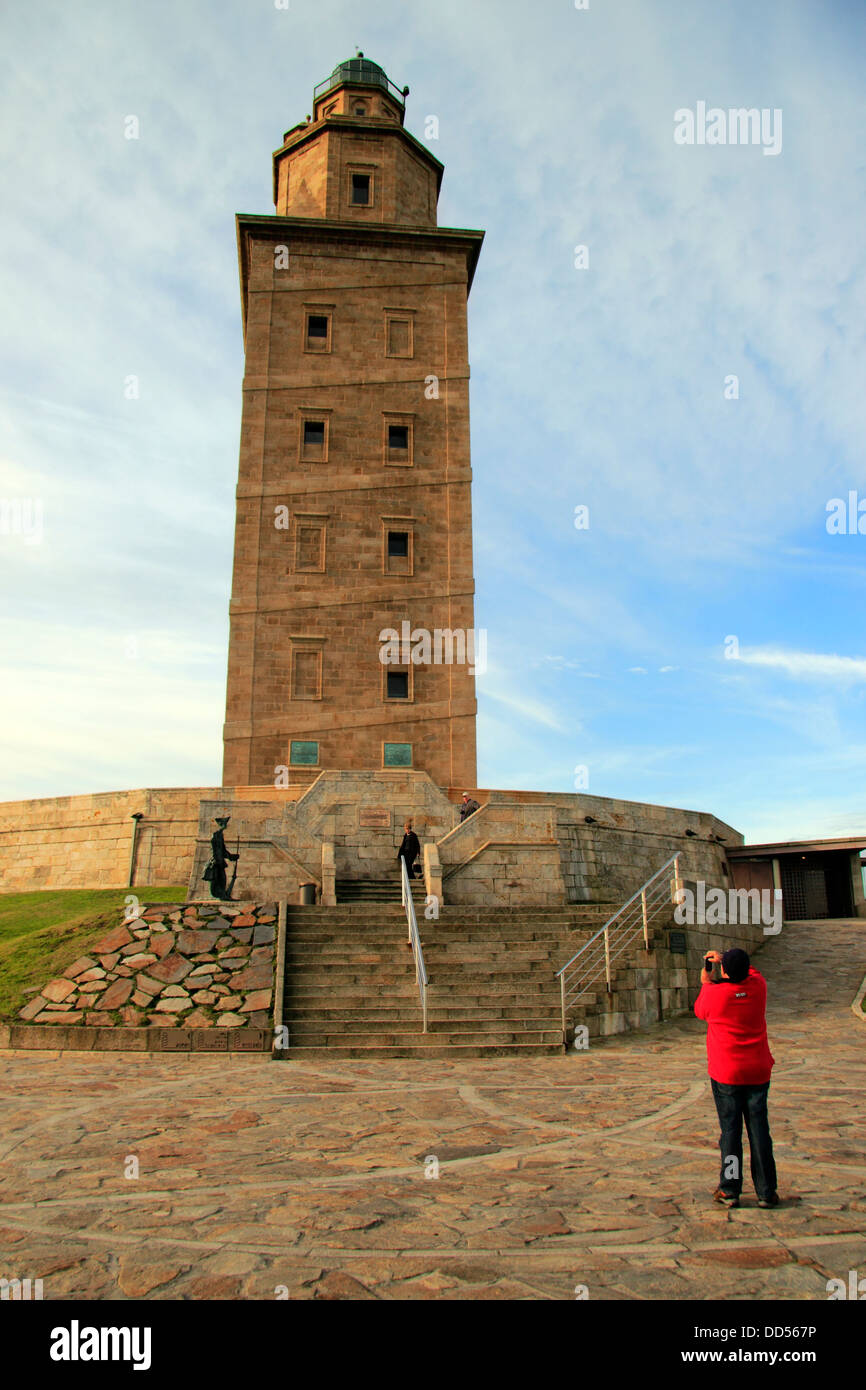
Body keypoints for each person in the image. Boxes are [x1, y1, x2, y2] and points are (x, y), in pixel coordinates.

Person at [694, 947, 779, 1210]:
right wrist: (729, 965)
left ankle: (730, 1188)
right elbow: (751, 972)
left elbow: (700, 1009)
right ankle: (766, 1191)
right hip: (757, 1070)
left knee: (730, 1132)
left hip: (727, 1073)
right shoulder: (758, 987)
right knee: (759, 1131)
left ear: (726, 970)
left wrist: (709, 974)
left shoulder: (715, 995)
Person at [206, 814, 239, 901]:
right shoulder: (216, 836)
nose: (226, 826)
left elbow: (223, 851)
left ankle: (223, 895)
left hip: (219, 862)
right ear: (221, 824)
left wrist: (232, 857)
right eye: (224, 824)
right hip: (217, 862)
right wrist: (222, 859)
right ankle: (221, 895)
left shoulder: (220, 835)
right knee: (218, 879)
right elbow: (217, 850)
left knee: (222, 879)